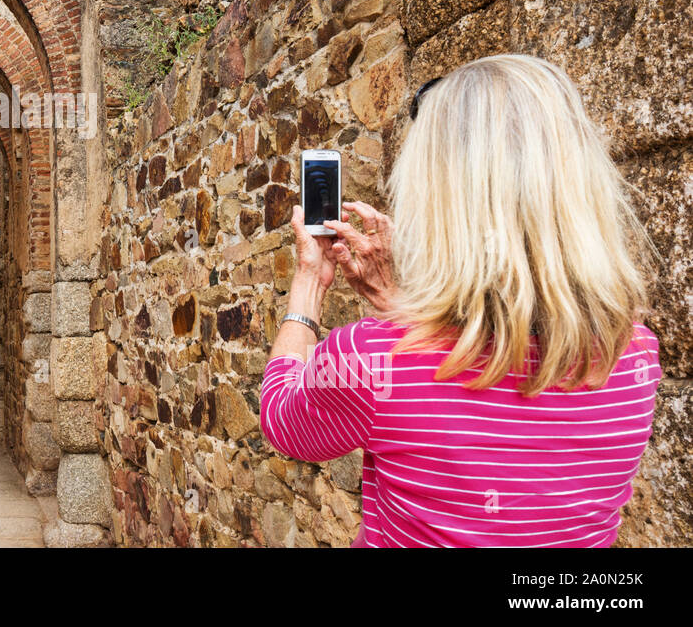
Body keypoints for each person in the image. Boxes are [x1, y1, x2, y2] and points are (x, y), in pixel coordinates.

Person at [260, 54, 661, 547]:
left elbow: (283, 418)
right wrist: (396, 302)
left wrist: (308, 284)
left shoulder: (371, 356)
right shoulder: (636, 354)